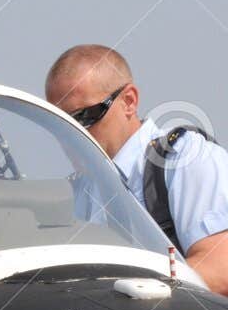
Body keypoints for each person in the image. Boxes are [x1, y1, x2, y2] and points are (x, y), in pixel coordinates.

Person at [46, 44, 228, 293]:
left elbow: (220, 269)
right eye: (59, 124)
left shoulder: (183, 159)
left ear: (129, 102)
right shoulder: (79, 192)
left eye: (82, 117)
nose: (69, 136)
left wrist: (124, 299)